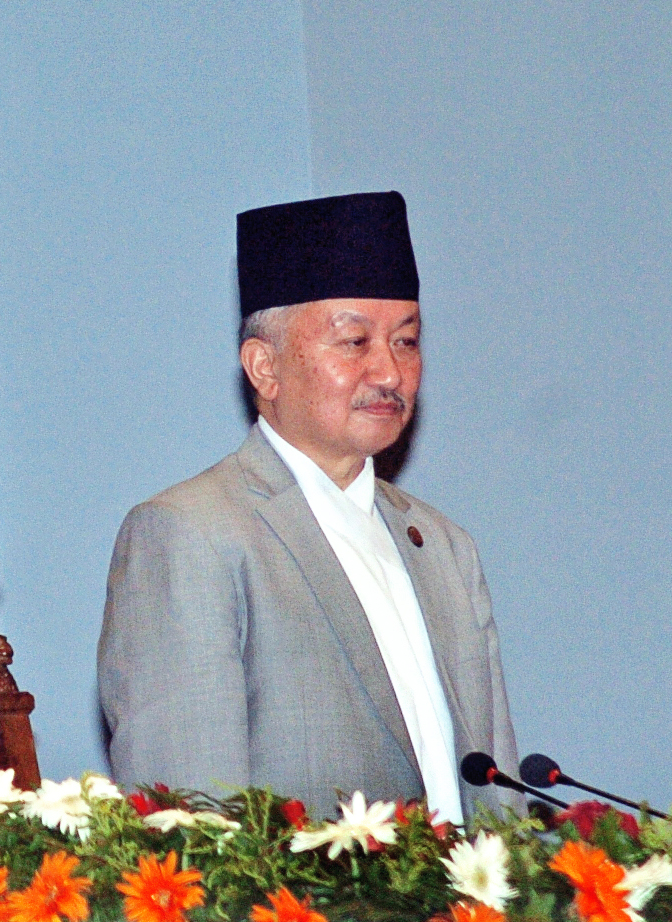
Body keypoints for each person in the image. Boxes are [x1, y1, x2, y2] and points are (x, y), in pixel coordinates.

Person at [99, 192, 519, 822]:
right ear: (264, 367)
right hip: (300, 919)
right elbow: (192, 826)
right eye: (353, 342)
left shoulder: (443, 544)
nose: (388, 371)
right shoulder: (191, 533)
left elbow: (499, 795)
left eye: (406, 341)